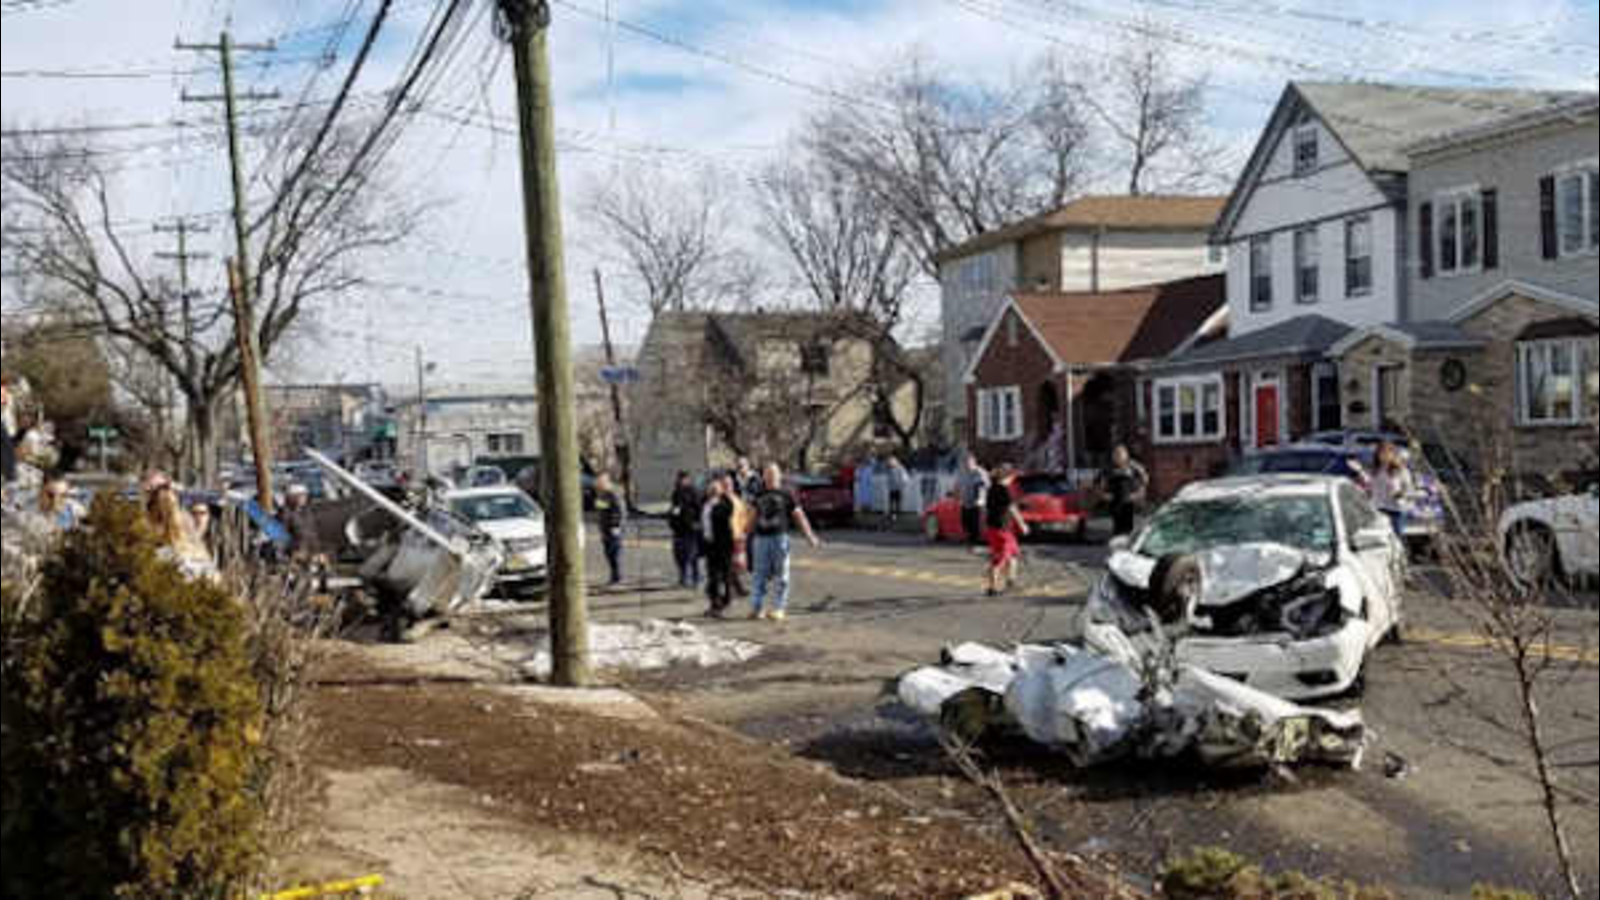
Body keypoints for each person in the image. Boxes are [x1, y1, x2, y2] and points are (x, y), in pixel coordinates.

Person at [748, 464, 821, 622]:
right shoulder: (758, 494)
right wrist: (744, 534)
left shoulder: (787, 493)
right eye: (767, 474)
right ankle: (757, 608)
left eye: (773, 474)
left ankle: (779, 608)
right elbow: (752, 517)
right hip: (760, 539)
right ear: (763, 477)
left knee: (782, 576)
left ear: (779, 476)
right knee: (759, 575)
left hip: (780, 538)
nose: (770, 477)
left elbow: (799, 516)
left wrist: (810, 536)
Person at [983, 465, 1030, 597]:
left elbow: (988, 509)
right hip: (1002, 530)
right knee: (1000, 558)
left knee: (1013, 554)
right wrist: (1022, 525)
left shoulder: (991, 489)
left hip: (993, 528)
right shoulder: (1004, 490)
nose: (1012, 479)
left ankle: (1010, 582)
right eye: (1012, 476)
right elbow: (1012, 508)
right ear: (1007, 477)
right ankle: (992, 588)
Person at [1096, 445, 1150, 538]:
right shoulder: (1108, 468)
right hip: (1115, 499)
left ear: (1126, 455)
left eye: (1120, 455)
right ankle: (1118, 540)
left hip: (1129, 499)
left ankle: (1128, 540)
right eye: (1116, 455)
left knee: (1129, 524)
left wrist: (1139, 493)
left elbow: (1145, 479)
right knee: (1117, 524)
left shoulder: (1133, 466)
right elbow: (1097, 482)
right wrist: (1103, 495)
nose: (1118, 457)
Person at [701, 478, 736, 617]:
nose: (713, 490)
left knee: (723, 575)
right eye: (711, 488)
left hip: (723, 545)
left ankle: (723, 602)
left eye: (716, 488)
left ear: (721, 489)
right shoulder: (706, 504)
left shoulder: (725, 503)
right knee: (713, 576)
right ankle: (716, 603)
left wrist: (725, 493)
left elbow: (728, 511)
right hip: (709, 544)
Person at [1369, 442, 1416, 536]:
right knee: (1381, 535)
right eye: (1381, 454)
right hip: (1379, 507)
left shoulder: (1400, 469)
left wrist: (1400, 494)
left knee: (1396, 535)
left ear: (1392, 455)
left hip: (1395, 509)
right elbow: (1372, 486)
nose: (1384, 456)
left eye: (1386, 454)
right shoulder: (1376, 470)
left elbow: (1409, 487)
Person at [669, 471, 703, 589]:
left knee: (692, 555)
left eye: (683, 479)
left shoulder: (693, 491)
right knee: (679, 555)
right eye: (679, 479)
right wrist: (672, 522)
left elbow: (699, 508)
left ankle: (696, 578)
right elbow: (673, 509)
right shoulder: (676, 493)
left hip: (691, 529)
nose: (681, 481)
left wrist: (698, 523)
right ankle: (683, 578)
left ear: (688, 479)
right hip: (678, 529)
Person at [593, 473, 626, 586]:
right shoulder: (602, 494)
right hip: (605, 529)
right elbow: (601, 510)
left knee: (614, 553)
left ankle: (617, 576)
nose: (597, 484)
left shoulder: (613, 493)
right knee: (608, 553)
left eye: (600, 482)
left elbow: (620, 512)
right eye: (598, 482)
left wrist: (616, 526)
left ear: (606, 482)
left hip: (613, 529)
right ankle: (614, 575)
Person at [957, 454, 990, 553]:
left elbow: (982, 486)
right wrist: (959, 497)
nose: (966, 465)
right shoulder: (963, 473)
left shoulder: (980, 472)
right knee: (965, 524)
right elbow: (960, 486)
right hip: (965, 502)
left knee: (975, 525)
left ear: (974, 462)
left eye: (968, 462)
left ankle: (975, 545)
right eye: (965, 463)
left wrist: (979, 499)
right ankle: (972, 544)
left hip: (977, 503)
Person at [884, 456, 910, 530]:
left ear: (895, 462)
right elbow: (888, 478)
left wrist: (902, 484)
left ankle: (897, 517)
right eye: (889, 463)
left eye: (891, 462)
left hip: (898, 488)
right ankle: (892, 517)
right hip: (892, 489)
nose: (890, 464)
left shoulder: (900, 468)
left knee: (898, 503)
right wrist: (889, 484)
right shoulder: (889, 469)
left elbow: (905, 478)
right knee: (891, 503)